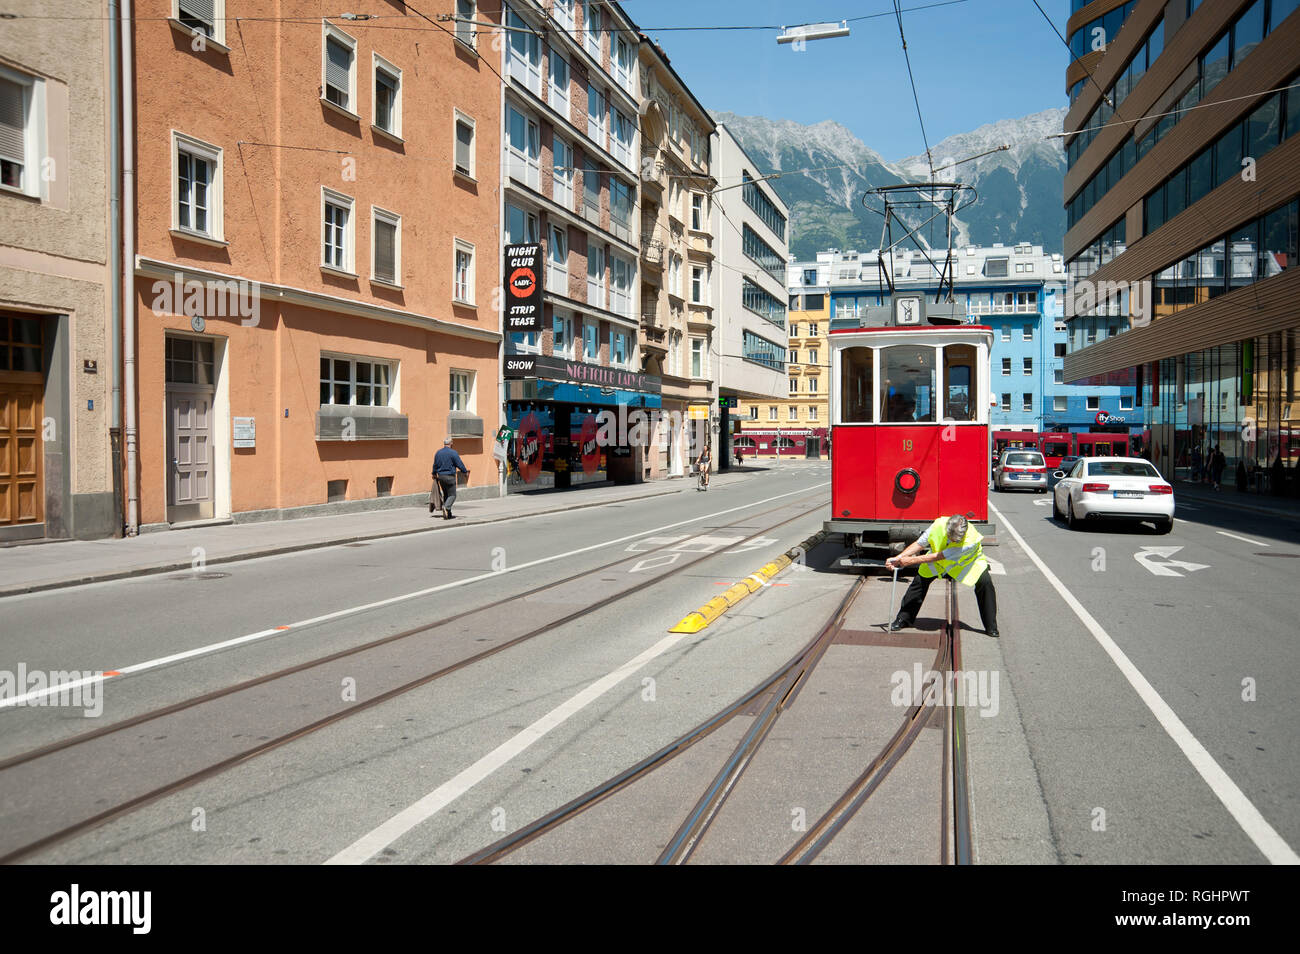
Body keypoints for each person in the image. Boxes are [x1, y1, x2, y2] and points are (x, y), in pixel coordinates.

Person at [885, 514, 999, 638]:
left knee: (985, 583)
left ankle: (991, 626)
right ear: (947, 530)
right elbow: (919, 544)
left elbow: (939, 556)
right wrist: (898, 558)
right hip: (938, 563)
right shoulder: (938, 525)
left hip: (966, 563)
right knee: (919, 582)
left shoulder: (970, 540)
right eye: (951, 538)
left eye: (957, 540)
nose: (953, 541)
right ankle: (904, 619)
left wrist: (909, 561)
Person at [431, 437, 470, 519]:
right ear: (451, 443)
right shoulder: (453, 453)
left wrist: (434, 473)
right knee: (452, 495)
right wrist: (465, 472)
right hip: (450, 476)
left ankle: (448, 514)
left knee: (446, 494)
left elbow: (435, 465)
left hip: (441, 476)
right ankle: (446, 507)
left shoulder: (438, 453)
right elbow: (459, 463)